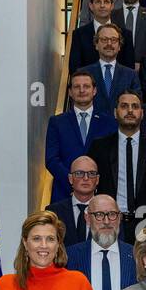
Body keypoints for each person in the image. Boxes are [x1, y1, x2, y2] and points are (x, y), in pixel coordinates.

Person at [92, 90, 146, 241]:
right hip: (108, 223)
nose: (130, 110)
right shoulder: (99, 147)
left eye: (135, 106)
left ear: (142, 113)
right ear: (115, 112)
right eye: (124, 106)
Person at [46, 71, 117, 203]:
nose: (82, 90)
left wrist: (93, 183)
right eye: (77, 87)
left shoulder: (110, 123)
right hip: (64, 193)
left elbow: (113, 160)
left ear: (94, 90)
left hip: (100, 195)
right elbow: (51, 159)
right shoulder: (57, 122)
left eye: (86, 86)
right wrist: (73, 182)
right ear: (70, 92)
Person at [68, 0, 136, 73]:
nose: (102, 6)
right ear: (91, 6)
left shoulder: (125, 34)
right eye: (98, 2)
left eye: (106, 2)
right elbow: (74, 68)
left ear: (112, 6)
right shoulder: (79, 35)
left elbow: (129, 70)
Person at [80, 23, 140, 117]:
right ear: (96, 45)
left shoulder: (131, 75)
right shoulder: (83, 74)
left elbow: (136, 105)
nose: (109, 44)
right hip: (93, 128)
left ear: (119, 46)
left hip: (121, 128)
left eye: (113, 40)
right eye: (104, 40)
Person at [45, 155, 100, 247]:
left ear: (97, 179)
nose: (86, 178)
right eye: (79, 173)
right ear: (70, 179)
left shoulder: (109, 212)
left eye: (91, 173)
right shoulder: (53, 212)